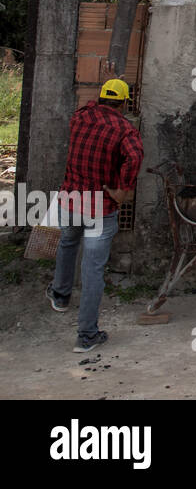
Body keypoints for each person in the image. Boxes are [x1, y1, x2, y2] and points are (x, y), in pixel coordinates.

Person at [46, 78, 143, 352]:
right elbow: (134, 157)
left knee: (67, 242)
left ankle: (60, 296)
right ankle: (86, 335)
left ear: (100, 97)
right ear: (124, 103)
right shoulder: (125, 130)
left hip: (71, 199)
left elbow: (89, 108)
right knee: (92, 270)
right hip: (100, 208)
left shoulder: (79, 118)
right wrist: (121, 189)